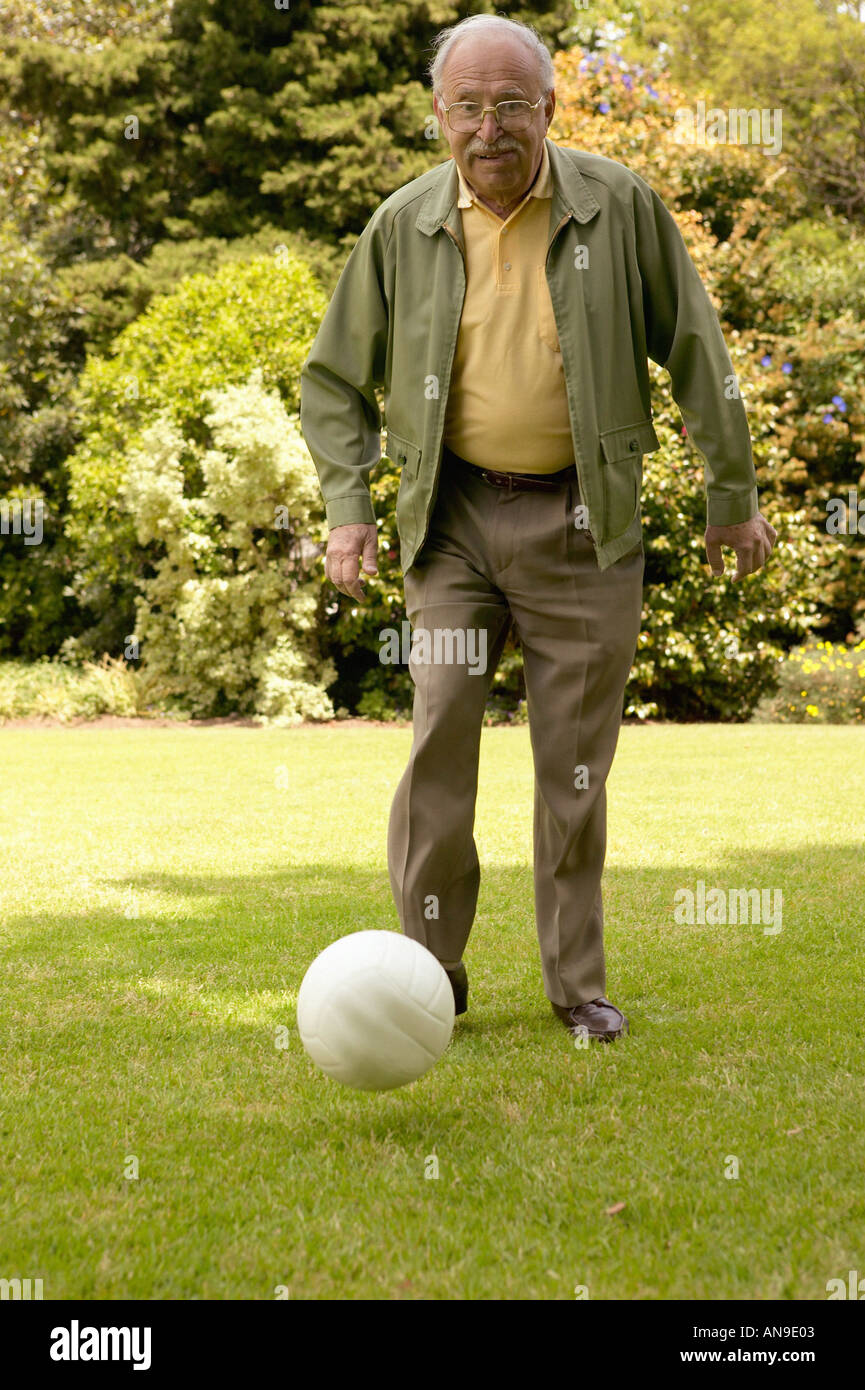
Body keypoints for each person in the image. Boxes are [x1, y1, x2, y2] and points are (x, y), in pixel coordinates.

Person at [300, 14, 777, 1042]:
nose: (490, 127)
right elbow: (333, 378)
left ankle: (578, 989)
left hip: (581, 522)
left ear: (549, 109)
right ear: (438, 118)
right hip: (455, 522)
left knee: (573, 764)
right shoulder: (404, 225)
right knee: (441, 742)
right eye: (467, 107)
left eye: (511, 103)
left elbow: (695, 345)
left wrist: (728, 494)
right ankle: (426, 975)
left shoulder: (619, 208)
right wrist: (350, 508)